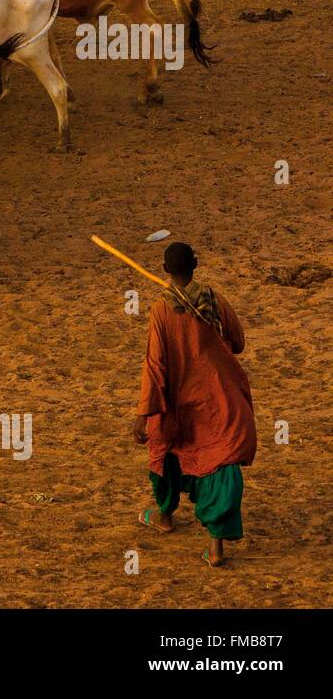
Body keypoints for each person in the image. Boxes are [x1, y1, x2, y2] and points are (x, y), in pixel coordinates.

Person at [133, 242, 256, 566]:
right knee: (219, 459)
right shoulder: (213, 300)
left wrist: (144, 414)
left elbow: (155, 365)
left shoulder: (161, 310)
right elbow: (239, 343)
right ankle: (215, 549)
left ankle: (164, 517)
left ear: (165, 271)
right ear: (196, 265)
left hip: (180, 403)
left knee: (166, 449)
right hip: (218, 399)